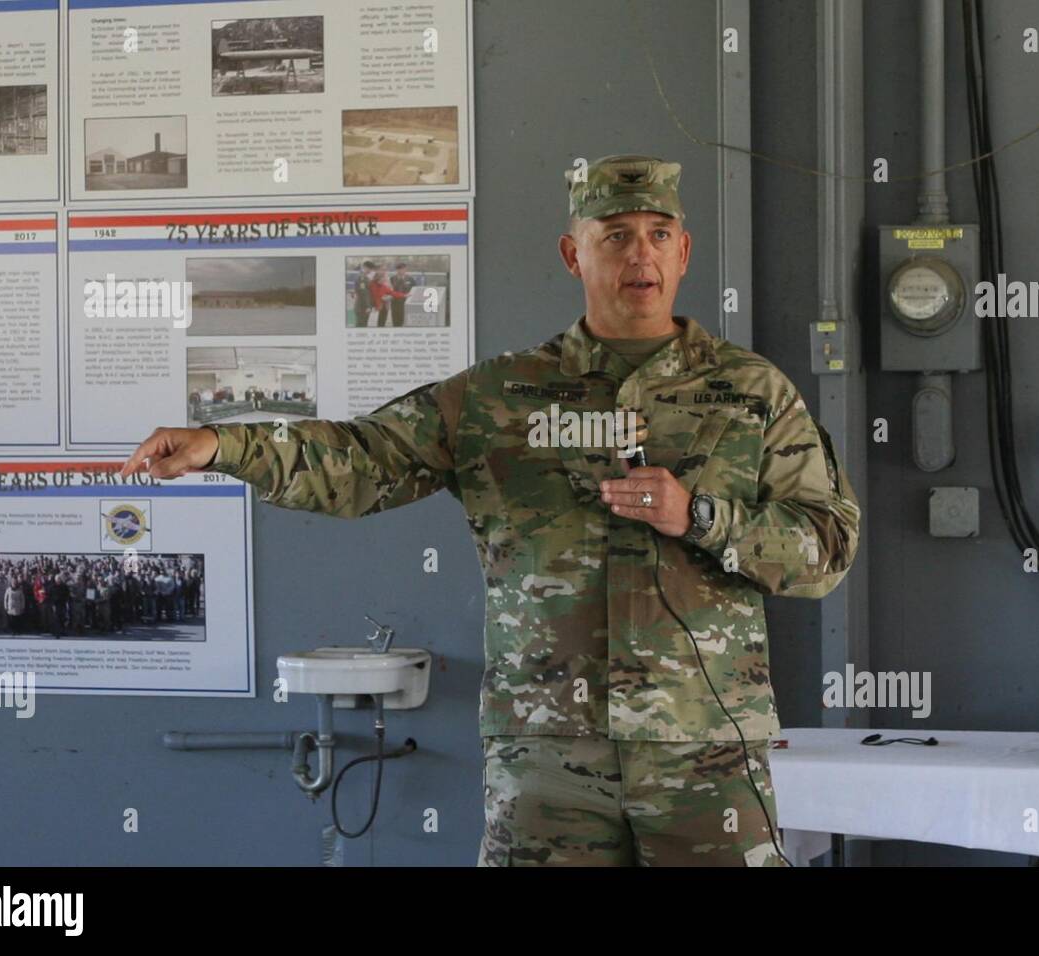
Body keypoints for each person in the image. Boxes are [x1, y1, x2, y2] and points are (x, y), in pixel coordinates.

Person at [120, 154, 861, 867]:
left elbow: (825, 548)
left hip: (706, 747)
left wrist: (700, 516)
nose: (642, 255)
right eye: (616, 236)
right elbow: (362, 458)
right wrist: (224, 445)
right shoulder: (499, 396)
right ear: (575, 255)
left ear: (685, 250)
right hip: (547, 753)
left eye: (658, 234)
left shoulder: (752, 394)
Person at [387, 262, 416, 327]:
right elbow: (389, 291)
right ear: (396, 270)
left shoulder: (410, 279)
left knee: (404, 322)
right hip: (395, 303)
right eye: (399, 269)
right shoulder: (392, 279)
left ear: (405, 269)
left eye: (403, 269)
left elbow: (414, 290)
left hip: (405, 303)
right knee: (395, 322)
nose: (401, 271)